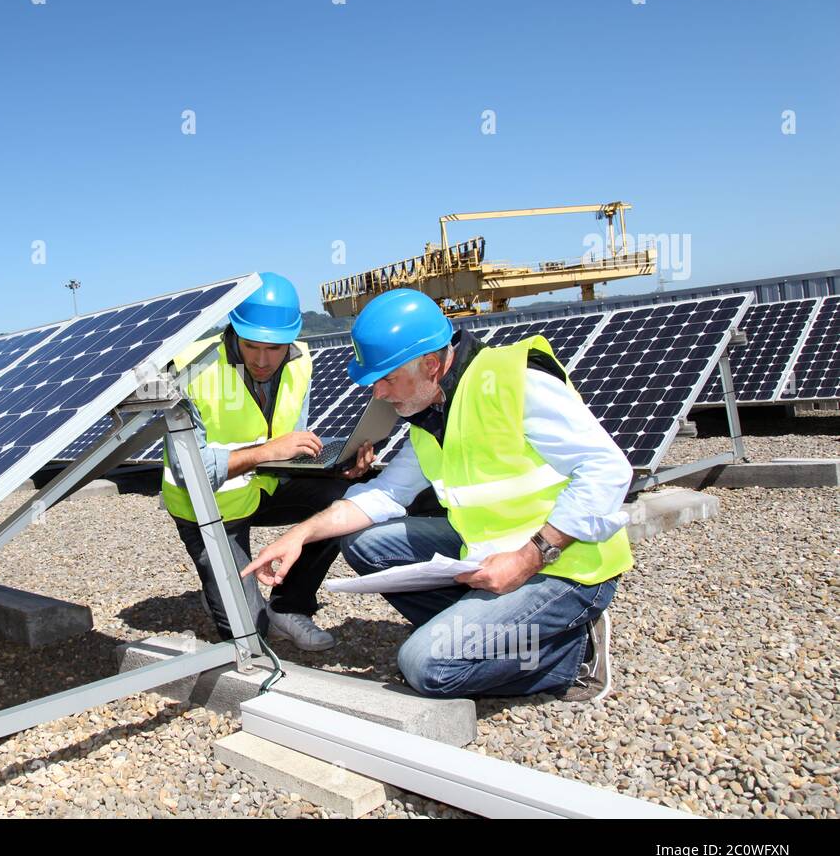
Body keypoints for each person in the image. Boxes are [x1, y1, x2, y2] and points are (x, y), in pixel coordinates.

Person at [243, 288, 633, 701]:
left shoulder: (516, 381)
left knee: (425, 667)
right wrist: (299, 536)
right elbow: (385, 494)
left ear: (431, 364)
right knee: (364, 542)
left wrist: (526, 559)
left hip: (566, 566)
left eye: (388, 379)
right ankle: (484, 632)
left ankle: (571, 656)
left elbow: (607, 470)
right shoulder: (430, 415)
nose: (379, 394)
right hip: (490, 550)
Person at [163, 272, 374, 652]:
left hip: (263, 486)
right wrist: (266, 452)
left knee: (346, 496)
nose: (263, 360)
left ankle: (289, 606)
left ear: (291, 339)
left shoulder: (300, 360)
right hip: (208, 507)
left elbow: (292, 443)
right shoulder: (190, 368)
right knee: (249, 637)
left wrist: (340, 461)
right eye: (251, 346)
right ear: (233, 331)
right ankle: (230, 592)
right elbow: (189, 471)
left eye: (275, 348)